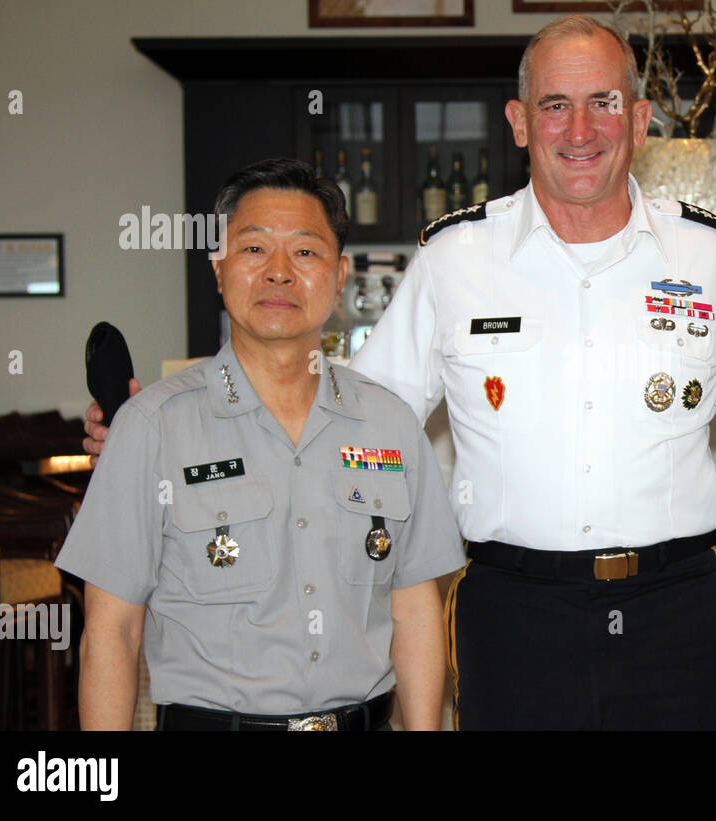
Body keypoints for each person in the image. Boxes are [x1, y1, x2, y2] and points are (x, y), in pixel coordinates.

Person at [348, 15, 716, 730]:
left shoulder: (709, 259)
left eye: (604, 103)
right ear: (520, 123)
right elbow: (362, 423)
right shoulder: (453, 261)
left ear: (641, 119)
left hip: (681, 614)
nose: (580, 129)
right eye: (555, 105)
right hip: (511, 616)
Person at [60, 158, 465, 730]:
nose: (279, 272)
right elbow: (111, 631)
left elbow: (415, 607)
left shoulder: (391, 425)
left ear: (340, 273)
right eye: (253, 250)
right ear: (218, 267)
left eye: (305, 251)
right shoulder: (153, 426)